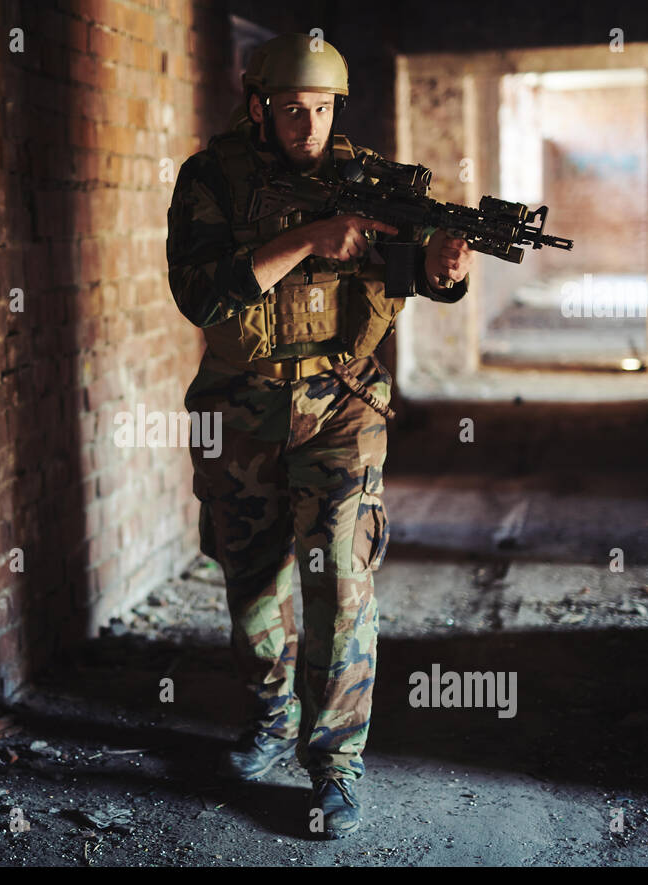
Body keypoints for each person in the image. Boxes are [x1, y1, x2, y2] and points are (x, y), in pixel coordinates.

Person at [165, 33, 473, 838]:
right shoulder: (211, 178)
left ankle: (334, 763)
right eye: (293, 110)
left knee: (341, 578)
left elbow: (415, 278)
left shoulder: (371, 177)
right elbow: (200, 296)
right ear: (256, 103)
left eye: (324, 110)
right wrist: (308, 237)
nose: (309, 127)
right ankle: (271, 717)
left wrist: (445, 271)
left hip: (344, 406)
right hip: (241, 406)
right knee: (253, 576)